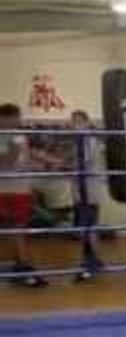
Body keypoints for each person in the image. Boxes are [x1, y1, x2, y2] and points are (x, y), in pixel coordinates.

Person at [0, 103, 60, 288]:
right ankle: (25, 269)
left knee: (18, 230)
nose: (17, 120)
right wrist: (13, 150)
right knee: (16, 230)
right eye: (13, 117)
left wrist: (49, 162)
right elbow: (4, 164)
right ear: (4, 118)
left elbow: (26, 156)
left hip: (20, 189)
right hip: (6, 191)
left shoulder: (18, 135)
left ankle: (21, 267)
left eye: (18, 117)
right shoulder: (3, 137)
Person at [67, 110, 107, 282]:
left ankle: (90, 261)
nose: (74, 124)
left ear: (86, 121)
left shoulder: (88, 140)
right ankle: (93, 259)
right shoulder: (80, 141)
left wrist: (63, 164)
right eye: (73, 121)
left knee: (88, 225)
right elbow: (77, 164)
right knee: (85, 226)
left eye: (78, 121)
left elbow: (84, 163)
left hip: (89, 190)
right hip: (81, 189)